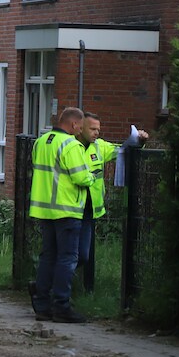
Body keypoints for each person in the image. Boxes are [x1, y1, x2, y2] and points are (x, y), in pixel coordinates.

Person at [29, 107, 97, 323]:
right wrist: (92, 177)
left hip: (44, 209)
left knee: (48, 257)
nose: (80, 130)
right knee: (68, 259)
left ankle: (42, 305)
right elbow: (81, 178)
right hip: (67, 210)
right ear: (74, 125)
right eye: (80, 126)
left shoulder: (41, 142)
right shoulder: (71, 145)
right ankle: (62, 306)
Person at [75, 113, 149, 270]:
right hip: (69, 209)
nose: (96, 132)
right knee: (67, 253)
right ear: (81, 128)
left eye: (98, 129)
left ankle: (48, 283)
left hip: (89, 211)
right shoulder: (70, 147)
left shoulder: (99, 146)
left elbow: (121, 151)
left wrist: (139, 141)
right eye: (92, 129)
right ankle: (49, 286)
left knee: (82, 255)